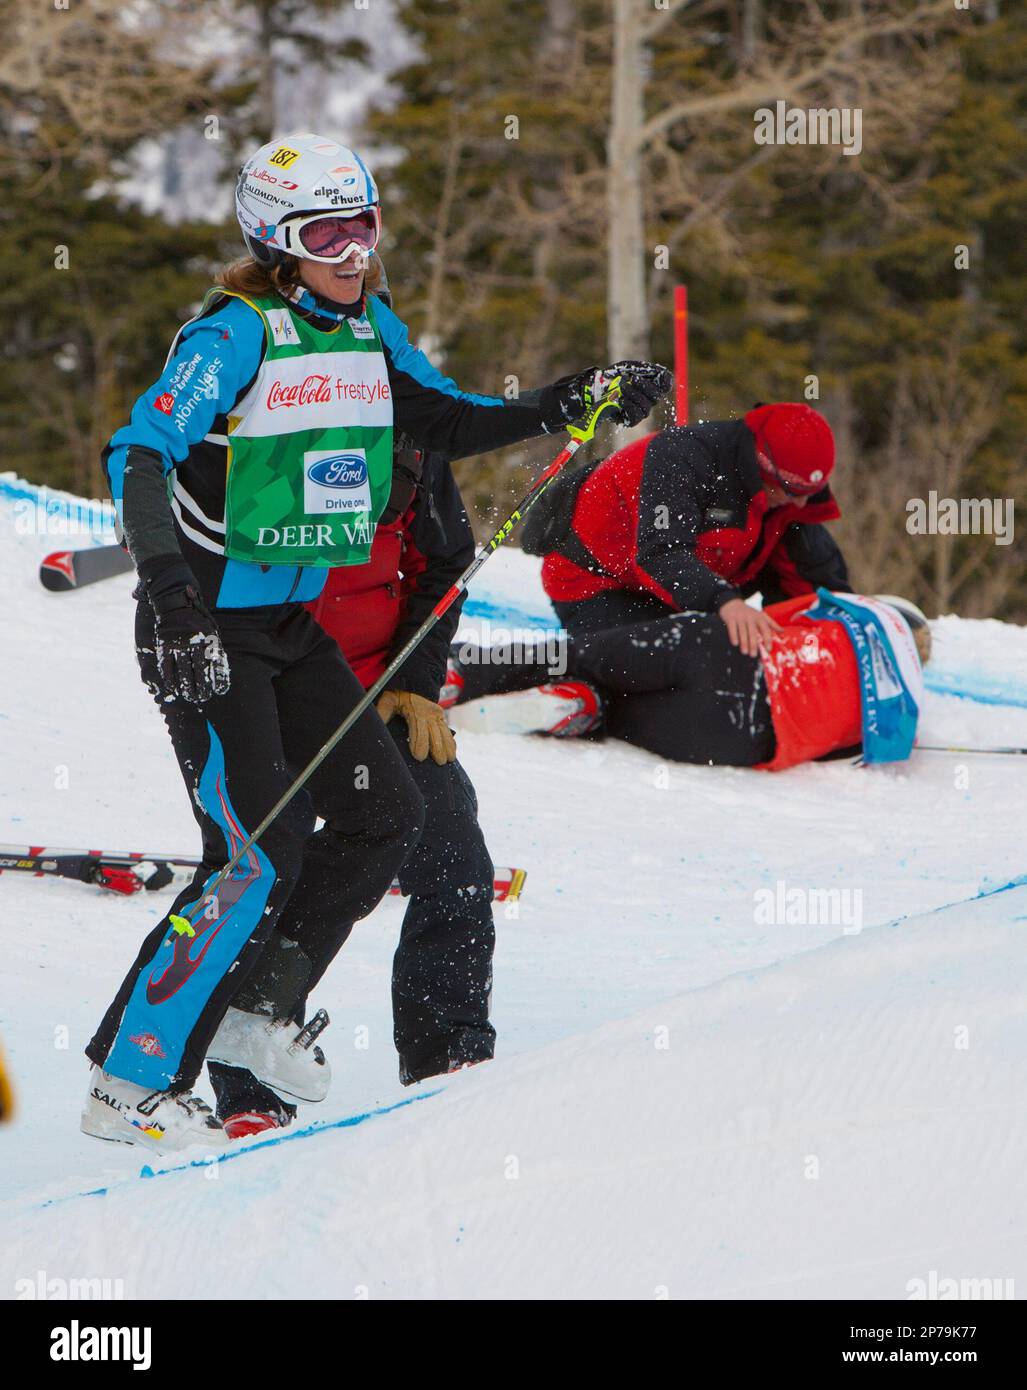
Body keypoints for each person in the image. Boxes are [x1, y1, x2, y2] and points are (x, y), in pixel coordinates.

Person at [81, 131, 670, 1151]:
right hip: (205, 623)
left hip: (285, 621)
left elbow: (445, 420)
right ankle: (127, 1080)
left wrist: (564, 401)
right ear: (276, 241)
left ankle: (258, 1013)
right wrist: (170, 598)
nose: (355, 254)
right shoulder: (232, 334)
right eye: (328, 236)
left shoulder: (368, 329)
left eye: (365, 227)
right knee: (253, 855)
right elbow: (138, 452)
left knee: (382, 812)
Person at [208, 277, 500, 1140]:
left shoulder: (411, 444)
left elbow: (443, 567)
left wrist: (417, 679)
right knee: (271, 874)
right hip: (267, 694)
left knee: (452, 852)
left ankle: (449, 1053)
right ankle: (245, 1084)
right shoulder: (248, 423)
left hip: (376, 693)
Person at [445, 593, 931, 771]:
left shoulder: (854, 615)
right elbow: (838, 757)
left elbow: (768, 619)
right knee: (619, 715)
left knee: (578, 654)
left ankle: (462, 669)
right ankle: (579, 708)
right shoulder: (899, 712)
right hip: (737, 737)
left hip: (722, 652)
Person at [524, 402, 851, 659]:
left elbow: (813, 576)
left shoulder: (788, 496)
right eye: (793, 491)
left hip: (679, 592)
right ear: (761, 466)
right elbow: (661, 555)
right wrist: (725, 602)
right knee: (667, 676)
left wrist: (844, 622)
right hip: (598, 585)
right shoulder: (681, 459)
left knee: (747, 660)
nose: (803, 503)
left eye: (813, 493)